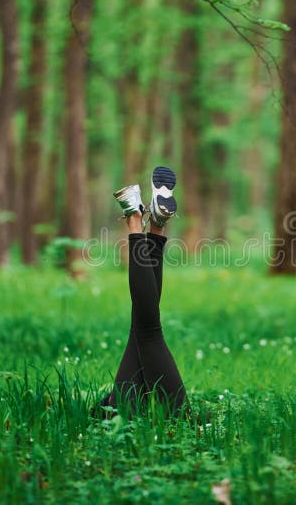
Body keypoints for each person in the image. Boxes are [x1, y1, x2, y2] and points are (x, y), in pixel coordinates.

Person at [91, 166, 187, 419]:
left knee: (146, 332)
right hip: (127, 412)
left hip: (123, 413)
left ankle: (147, 223)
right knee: (145, 332)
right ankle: (145, 221)